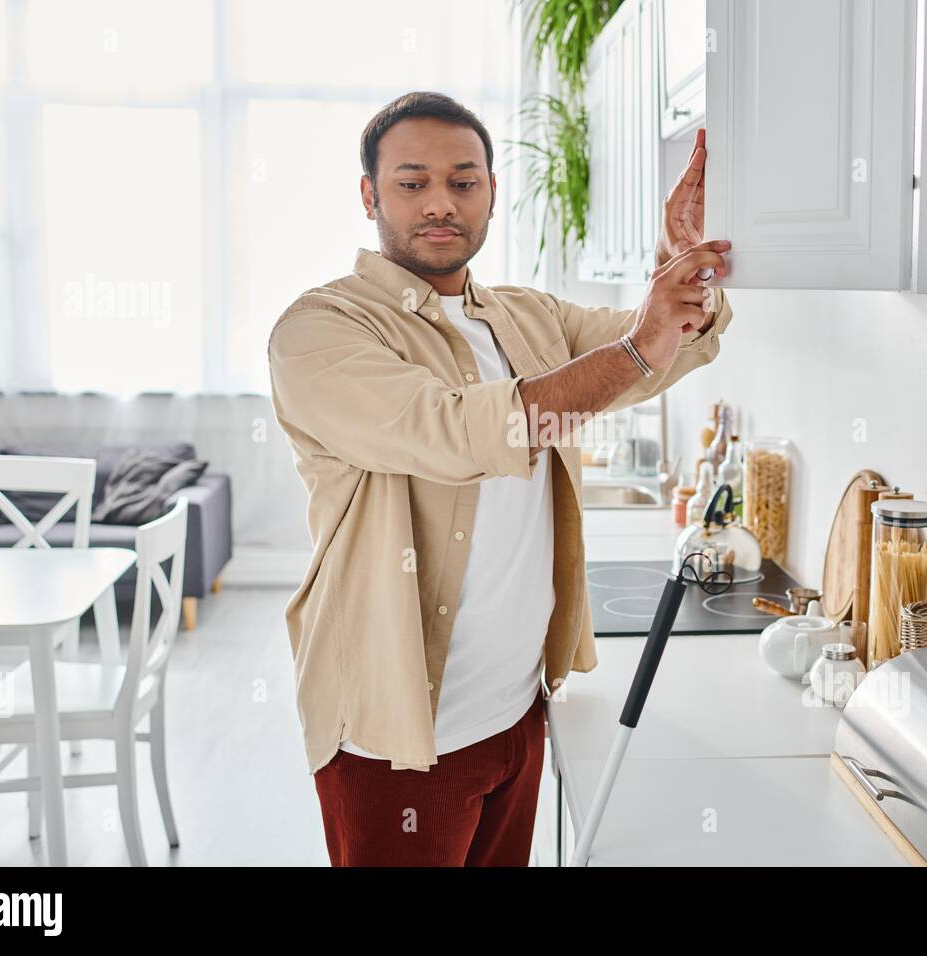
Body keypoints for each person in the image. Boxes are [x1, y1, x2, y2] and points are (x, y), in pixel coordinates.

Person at [267, 90, 733, 866]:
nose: (440, 203)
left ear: (491, 192)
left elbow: (652, 347)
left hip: (517, 715)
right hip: (396, 739)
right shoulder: (320, 331)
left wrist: (679, 265)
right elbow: (459, 431)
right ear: (369, 195)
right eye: (412, 182)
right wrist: (637, 347)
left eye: (464, 181)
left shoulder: (525, 315)